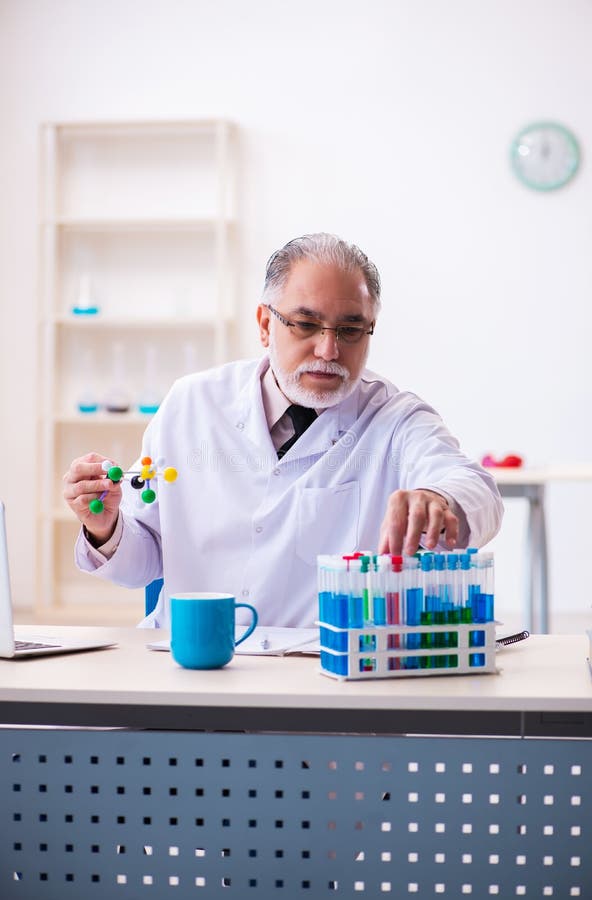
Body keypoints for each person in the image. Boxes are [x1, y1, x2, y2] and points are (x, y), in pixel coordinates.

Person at [64, 233, 503, 628]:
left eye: (350, 330)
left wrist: (439, 498)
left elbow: (476, 487)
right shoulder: (191, 404)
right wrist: (106, 529)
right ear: (263, 324)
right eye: (306, 324)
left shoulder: (394, 418)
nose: (328, 349)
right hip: (189, 663)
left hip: (319, 683)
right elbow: (145, 564)